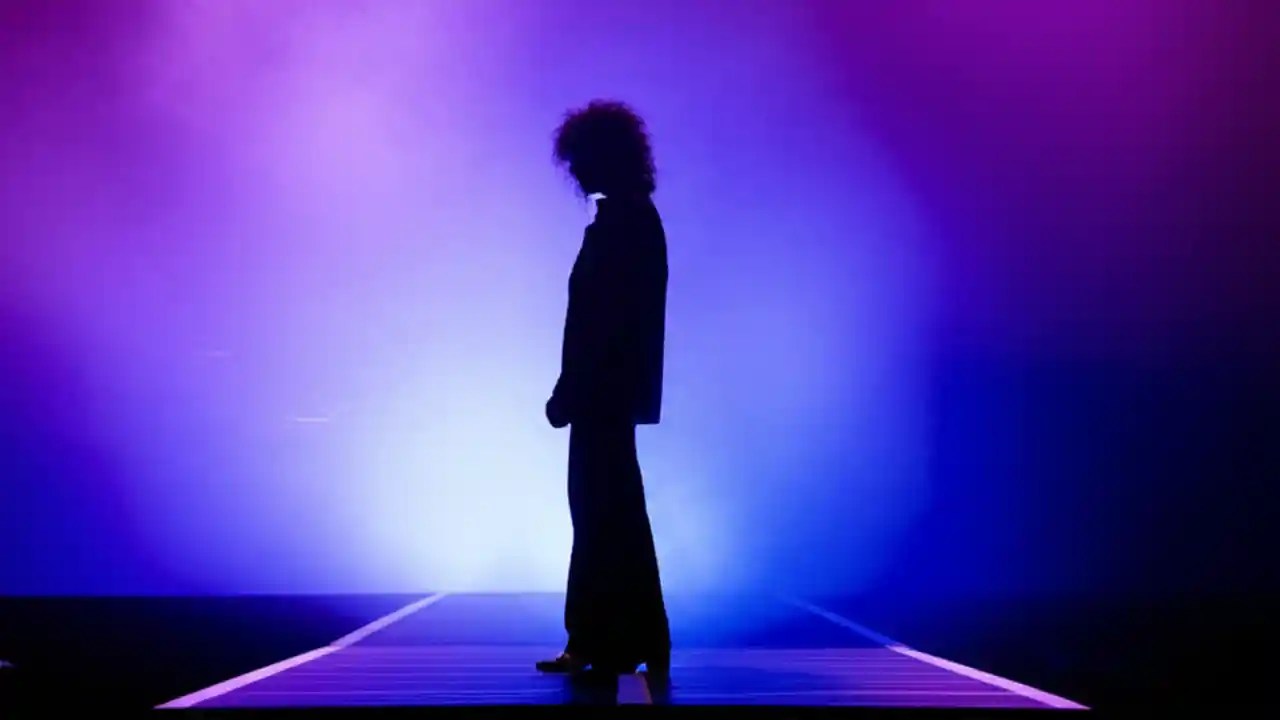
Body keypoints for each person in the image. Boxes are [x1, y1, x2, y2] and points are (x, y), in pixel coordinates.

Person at [537, 100, 671, 677]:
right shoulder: (632, 220)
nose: (576, 173)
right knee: (612, 513)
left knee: (599, 515)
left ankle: (599, 638)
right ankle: (630, 636)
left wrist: (568, 391)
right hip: (609, 393)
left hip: (602, 394)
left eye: (581, 160)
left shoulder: (625, 226)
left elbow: (600, 323)